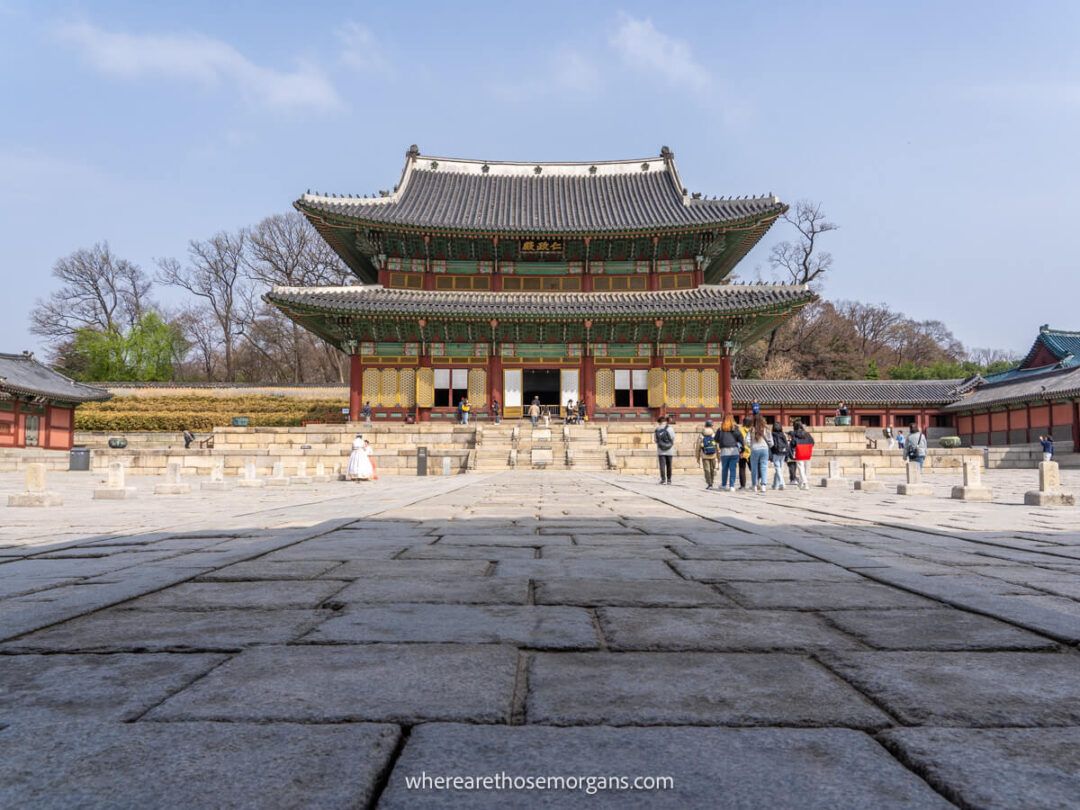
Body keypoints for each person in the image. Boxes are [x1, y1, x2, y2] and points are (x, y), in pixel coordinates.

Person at [717, 415, 744, 492]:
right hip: (734, 451)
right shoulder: (735, 428)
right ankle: (732, 486)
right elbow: (741, 440)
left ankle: (724, 485)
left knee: (724, 469)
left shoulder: (720, 429)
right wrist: (742, 450)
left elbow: (716, 439)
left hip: (724, 451)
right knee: (733, 469)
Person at [748, 415, 773, 493]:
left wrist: (751, 446)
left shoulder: (751, 429)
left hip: (755, 449)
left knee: (754, 468)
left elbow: (747, 440)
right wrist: (769, 445)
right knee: (764, 467)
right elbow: (771, 442)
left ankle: (754, 485)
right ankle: (763, 486)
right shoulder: (766, 429)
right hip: (764, 449)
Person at [791, 420, 815, 490]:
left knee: (801, 468)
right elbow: (812, 442)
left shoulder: (794, 434)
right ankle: (800, 483)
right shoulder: (807, 434)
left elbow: (793, 443)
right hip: (807, 452)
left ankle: (805, 482)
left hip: (799, 451)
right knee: (803, 467)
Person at [695, 419, 719, 490]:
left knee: (707, 469)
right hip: (713, 454)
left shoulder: (701, 434)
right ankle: (712, 481)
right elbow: (717, 446)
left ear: (705, 425)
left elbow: (698, 447)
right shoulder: (714, 434)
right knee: (712, 469)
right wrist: (719, 456)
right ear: (712, 425)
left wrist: (698, 457)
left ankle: (709, 483)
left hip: (704, 454)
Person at [654, 415, 676, 485]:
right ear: (665, 421)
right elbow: (673, 438)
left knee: (662, 465)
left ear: (659, 422)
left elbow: (655, 440)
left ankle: (663, 480)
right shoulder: (670, 428)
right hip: (669, 450)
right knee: (669, 465)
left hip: (661, 450)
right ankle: (669, 480)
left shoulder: (657, 429)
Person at [770, 422, 789, 490]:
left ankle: (782, 483)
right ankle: (775, 485)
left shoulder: (772, 434)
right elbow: (786, 444)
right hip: (783, 452)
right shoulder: (783, 434)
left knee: (777, 468)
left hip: (776, 452)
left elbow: (771, 444)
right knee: (779, 469)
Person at [737, 417, 751, 490]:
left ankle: (743, 485)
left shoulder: (740, 430)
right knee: (753, 468)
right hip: (751, 451)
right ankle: (756, 483)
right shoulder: (752, 430)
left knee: (742, 468)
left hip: (742, 451)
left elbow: (738, 441)